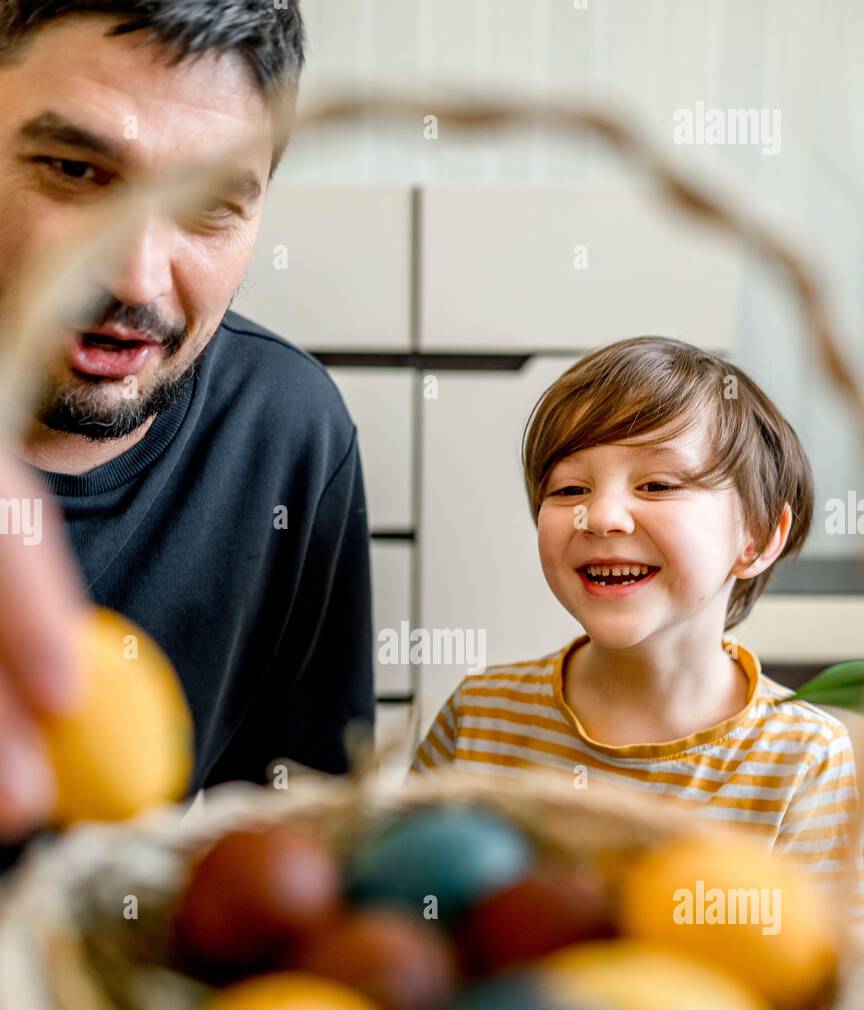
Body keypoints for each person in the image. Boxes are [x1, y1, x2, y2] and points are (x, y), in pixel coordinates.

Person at [0, 1, 374, 858]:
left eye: (209, 204)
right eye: (72, 169)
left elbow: (296, 849)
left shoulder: (289, 432)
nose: (137, 277)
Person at [411, 336, 864, 925]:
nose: (599, 517)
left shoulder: (803, 758)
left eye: (657, 485)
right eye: (570, 489)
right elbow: (406, 910)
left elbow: (827, 982)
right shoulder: (479, 715)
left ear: (757, 537)